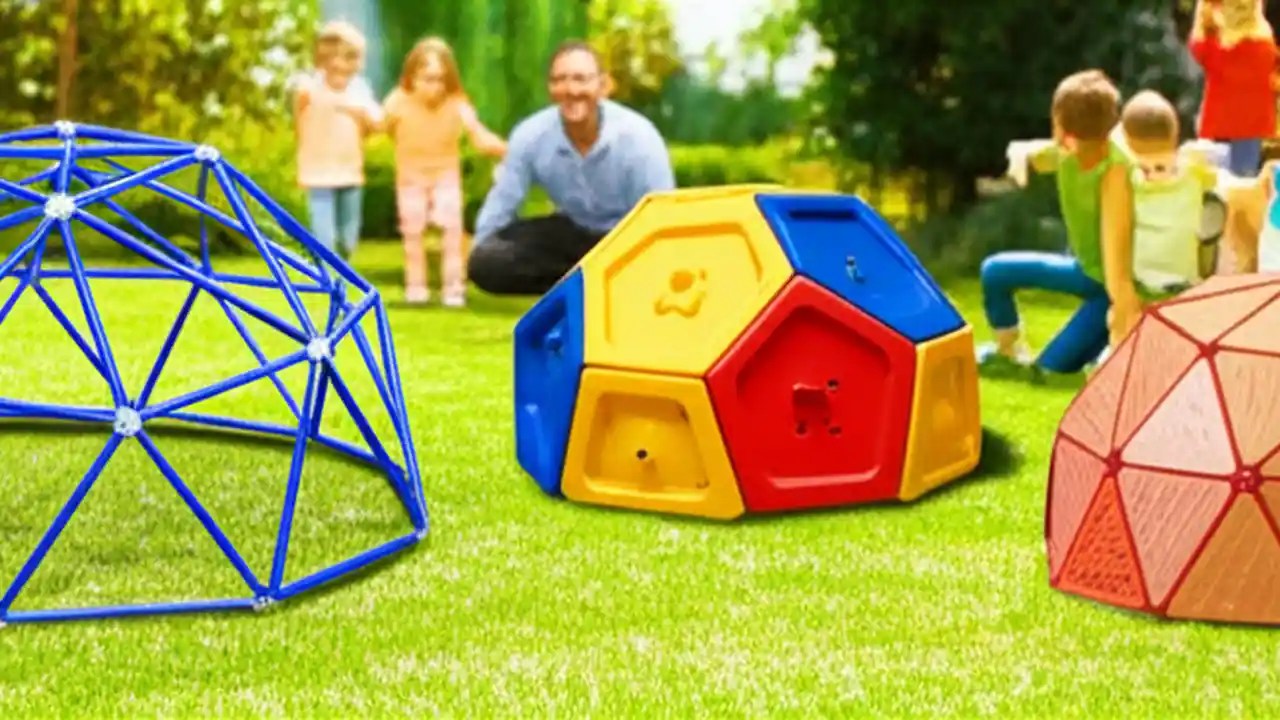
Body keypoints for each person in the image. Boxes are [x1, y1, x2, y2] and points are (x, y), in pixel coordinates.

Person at [466, 41, 676, 296]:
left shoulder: (639, 138)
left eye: (581, 79)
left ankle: (601, 285)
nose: (571, 90)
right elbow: (503, 200)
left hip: (626, 239)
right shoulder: (531, 135)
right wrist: (481, 253)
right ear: (550, 88)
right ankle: (581, 288)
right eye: (560, 80)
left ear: (603, 86)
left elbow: (661, 215)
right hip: (571, 237)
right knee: (488, 261)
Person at [978, 69, 1138, 375]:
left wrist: (1122, 318)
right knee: (995, 272)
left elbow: (1117, 264)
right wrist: (1020, 160)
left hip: (1107, 288)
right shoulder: (1066, 152)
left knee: (1048, 370)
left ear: (1062, 128)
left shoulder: (1115, 172)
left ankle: (1099, 349)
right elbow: (1022, 151)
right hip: (1083, 270)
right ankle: (1008, 349)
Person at [383, 37, 508, 307]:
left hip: (445, 176)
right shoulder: (397, 102)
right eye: (427, 79)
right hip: (411, 178)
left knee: (451, 231)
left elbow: (479, 136)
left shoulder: (456, 104)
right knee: (413, 233)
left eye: (440, 79)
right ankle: (416, 288)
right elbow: (383, 128)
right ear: (412, 77)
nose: (434, 87)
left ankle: (454, 289)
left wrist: (510, 150)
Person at [293, 20, 385, 261]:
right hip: (317, 172)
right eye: (334, 56)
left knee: (348, 238)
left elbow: (377, 123)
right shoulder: (309, 86)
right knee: (323, 237)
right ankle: (327, 274)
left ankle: (342, 269)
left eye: (350, 58)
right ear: (323, 58)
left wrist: (357, 113)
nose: (340, 64)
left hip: (350, 171)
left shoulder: (359, 90)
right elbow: (299, 117)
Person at [1188, 0, 1278, 178]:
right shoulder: (1265, 47)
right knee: (1244, 178)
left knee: (1211, 175)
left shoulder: (1214, 50)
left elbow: (1197, 41)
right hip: (1252, 127)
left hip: (1219, 125)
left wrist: (1203, 14)